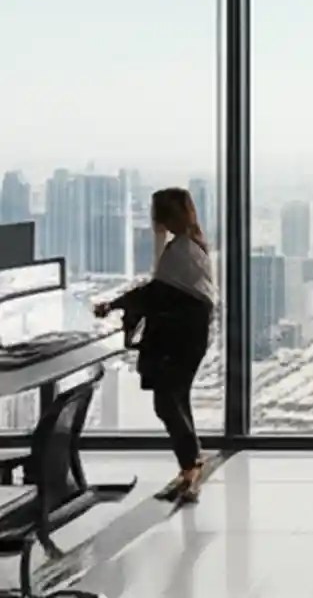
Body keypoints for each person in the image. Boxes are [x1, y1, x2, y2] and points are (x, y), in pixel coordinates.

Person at [94, 188, 217, 503]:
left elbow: (156, 293)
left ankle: (191, 467)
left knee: (167, 402)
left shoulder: (180, 250)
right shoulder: (192, 246)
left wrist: (114, 305)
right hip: (191, 337)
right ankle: (190, 466)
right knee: (177, 399)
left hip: (178, 339)